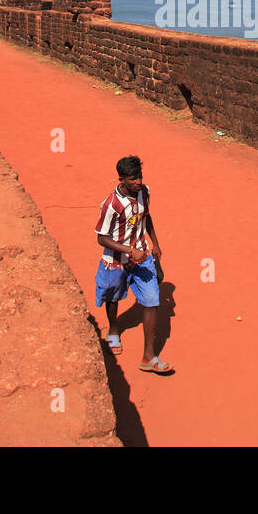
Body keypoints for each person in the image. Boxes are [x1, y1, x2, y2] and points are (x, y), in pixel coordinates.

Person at [95, 156, 172, 374]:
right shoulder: (111, 204)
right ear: (121, 180)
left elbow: (146, 217)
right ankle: (113, 330)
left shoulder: (144, 192)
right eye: (133, 178)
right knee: (113, 296)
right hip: (116, 261)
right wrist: (129, 251)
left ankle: (149, 357)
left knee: (151, 300)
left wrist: (155, 243)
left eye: (139, 176)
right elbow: (101, 237)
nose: (138, 181)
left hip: (143, 256)